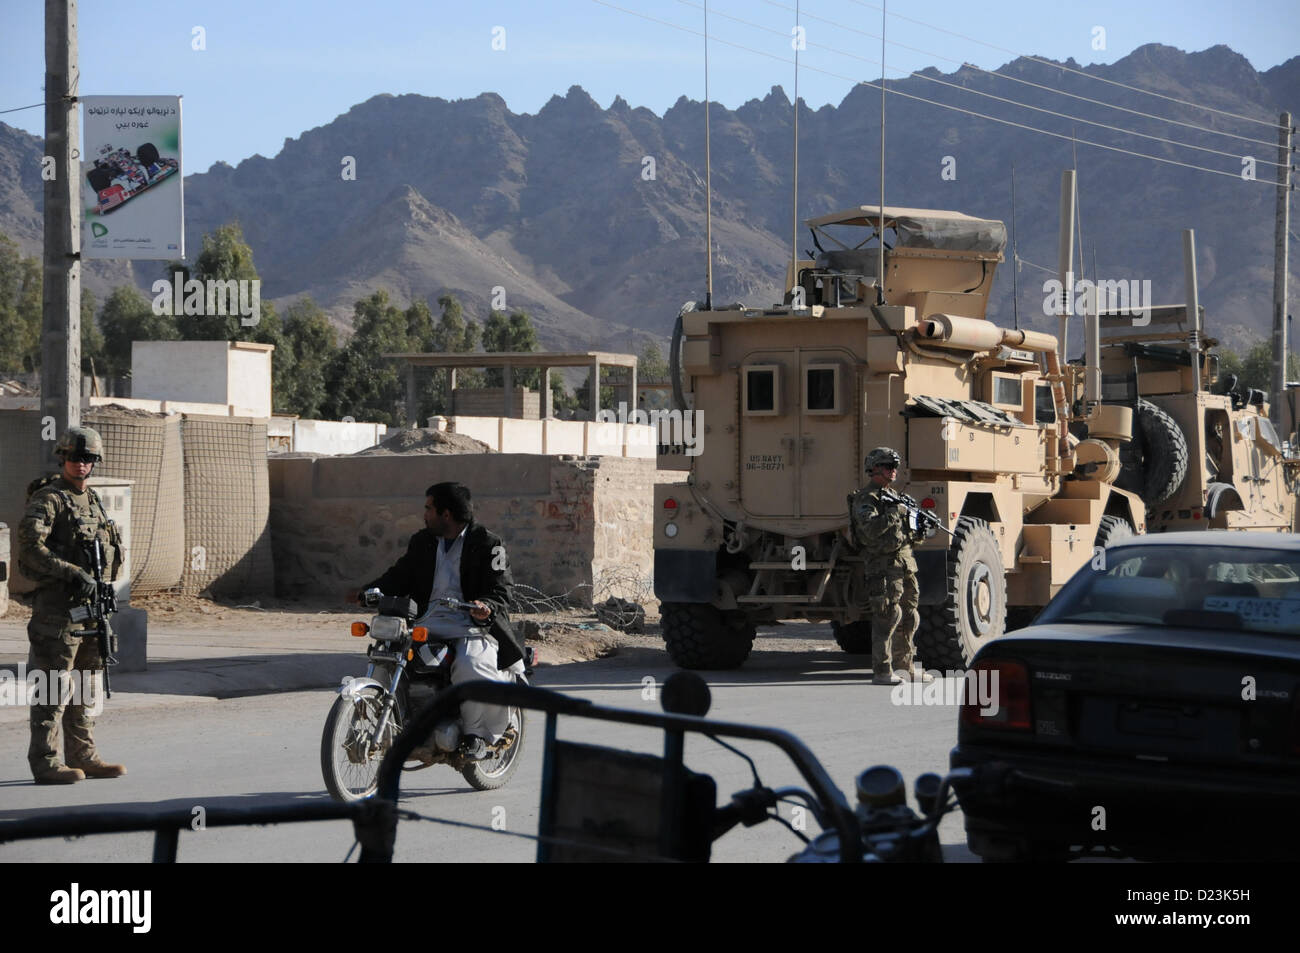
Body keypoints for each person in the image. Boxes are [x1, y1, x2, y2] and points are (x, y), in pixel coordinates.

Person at [357, 482, 524, 760]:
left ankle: (475, 735)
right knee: (388, 653)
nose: (424, 514)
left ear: (446, 514)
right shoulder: (422, 542)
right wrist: (369, 591)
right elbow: (399, 575)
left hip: (470, 624)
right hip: (426, 621)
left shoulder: (488, 544)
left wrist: (487, 606)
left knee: (471, 665)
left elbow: (501, 590)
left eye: (428, 508)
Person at [16, 427, 126, 784]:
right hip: (57, 612)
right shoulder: (50, 499)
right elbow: (31, 547)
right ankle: (46, 761)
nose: (82, 465)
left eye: (89, 459)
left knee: (85, 684)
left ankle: (83, 755)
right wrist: (72, 572)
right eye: (76, 458)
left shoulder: (92, 500)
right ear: (62, 458)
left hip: (91, 609)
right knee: (52, 686)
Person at [848, 447, 934, 686]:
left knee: (910, 615)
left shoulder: (896, 497)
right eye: (888, 466)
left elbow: (911, 536)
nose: (893, 471)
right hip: (882, 565)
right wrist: (896, 513)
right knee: (887, 616)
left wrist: (918, 524)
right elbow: (869, 530)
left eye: (894, 466)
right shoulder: (868, 498)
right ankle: (882, 670)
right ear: (874, 469)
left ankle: (905, 666)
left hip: (905, 562)